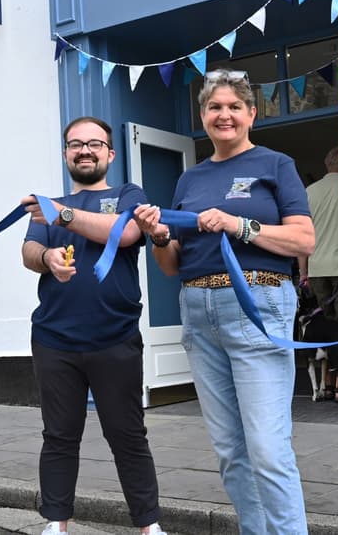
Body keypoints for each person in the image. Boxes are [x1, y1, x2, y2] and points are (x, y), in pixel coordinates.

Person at [133, 69, 315, 534]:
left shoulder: (276, 165)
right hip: (198, 311)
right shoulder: (190, 179)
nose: (225, 114)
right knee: (231, 451)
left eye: (235, 106)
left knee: (268, 449)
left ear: (252, 113)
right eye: (215, 107)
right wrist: (157, 237)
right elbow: (174, 264)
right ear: (203, 116)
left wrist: (241, 226)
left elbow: (304, 240)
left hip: (259, 305)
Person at [20, 116, 167, 535]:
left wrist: (62, 215)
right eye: (75, 144)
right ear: (66, 152)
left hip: (114, 337)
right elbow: (29, 248)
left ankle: (149, 526)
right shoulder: (48, 205)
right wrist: (46, 259)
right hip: (54, 338)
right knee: (59, 436)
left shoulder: (128, 194)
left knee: (127, 436)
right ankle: (55, 524)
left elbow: (123, 234)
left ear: (110, 153)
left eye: (94, 144)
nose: (85, 150)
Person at [297, 145, 338, 402]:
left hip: (317, 268)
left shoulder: (309, 192)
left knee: (325, 328)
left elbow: (301, 237)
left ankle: (327, 383)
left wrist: (303, 273)